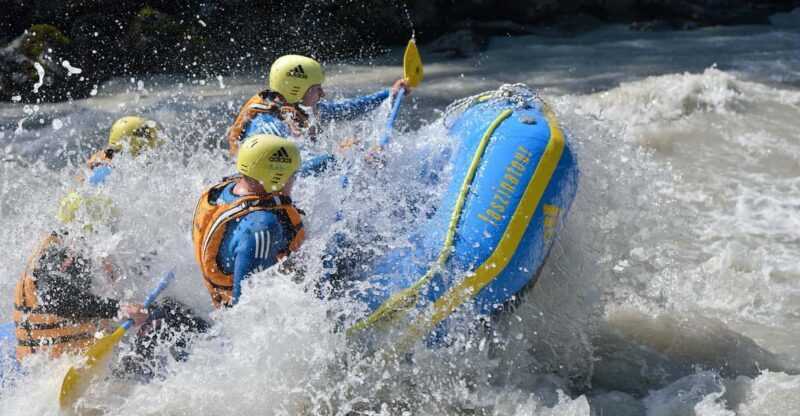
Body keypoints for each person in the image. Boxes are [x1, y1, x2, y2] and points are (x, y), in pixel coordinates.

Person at [193, 134, 305, 308]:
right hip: (232, 311)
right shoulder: (262, 228)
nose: (295, 179)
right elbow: (249, 309)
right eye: (292, 175)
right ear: (276, 176)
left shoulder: (226, 190)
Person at [226, 54, 411, 156]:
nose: (322, 93)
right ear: (296, 90)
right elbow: (298, 166)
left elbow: (346, 109)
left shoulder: (296, 106)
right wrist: (338, 155)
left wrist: (389, 94)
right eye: (316, 88)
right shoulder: (268, 126)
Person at [12, 231, 149, 361]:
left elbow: (85, 303)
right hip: (54, 364)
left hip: (54, 356)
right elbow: (56, 299)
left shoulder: (53, 248)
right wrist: (119, 309)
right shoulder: (62, 255)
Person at [74, 115, 164, 186]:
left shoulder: (98, 166)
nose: (157, 156)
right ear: (139, 148)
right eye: (154, 150)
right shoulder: (116, 178)